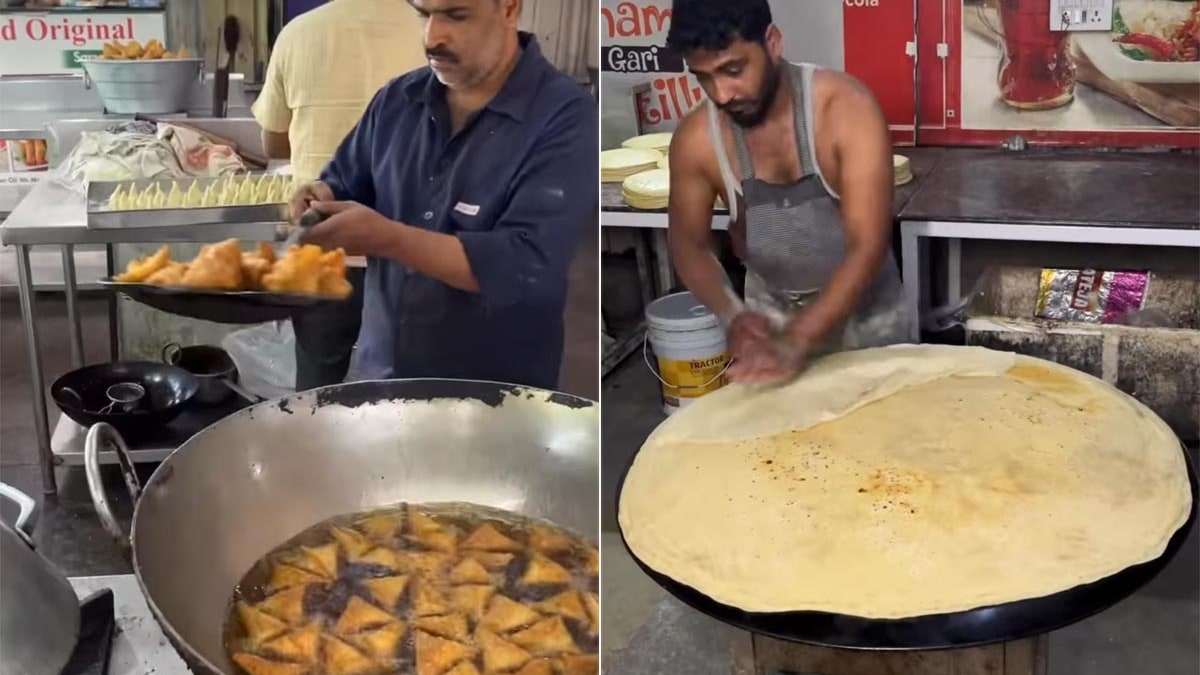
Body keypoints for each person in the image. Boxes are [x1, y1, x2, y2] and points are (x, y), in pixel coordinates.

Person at [290, 0, 597, 390]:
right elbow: (345, 183)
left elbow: (525, 264)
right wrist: (319, 197)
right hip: (383, 377)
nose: (432, 37)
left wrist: (389, 239)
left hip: (494, 395)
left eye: (456, 15)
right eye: (423, 13)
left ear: (508, 9)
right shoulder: (398, 100)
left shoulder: (563, 116)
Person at [665, 0, 910, 384]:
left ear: (773, 42)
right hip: (770, 321)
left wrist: (801, 337)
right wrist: (733, 315)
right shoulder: (698, 141)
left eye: (733, 70)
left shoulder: (845, 110)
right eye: (703, 78)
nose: (722, 94)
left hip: (869, 318)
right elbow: (689, 246)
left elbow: (868, 245)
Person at [252, 0, 427, 391]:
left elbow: (273, 143)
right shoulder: (434, 30)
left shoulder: (298, 33)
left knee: (317, 384)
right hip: (411, 248)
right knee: (405, 389)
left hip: (322, 243)